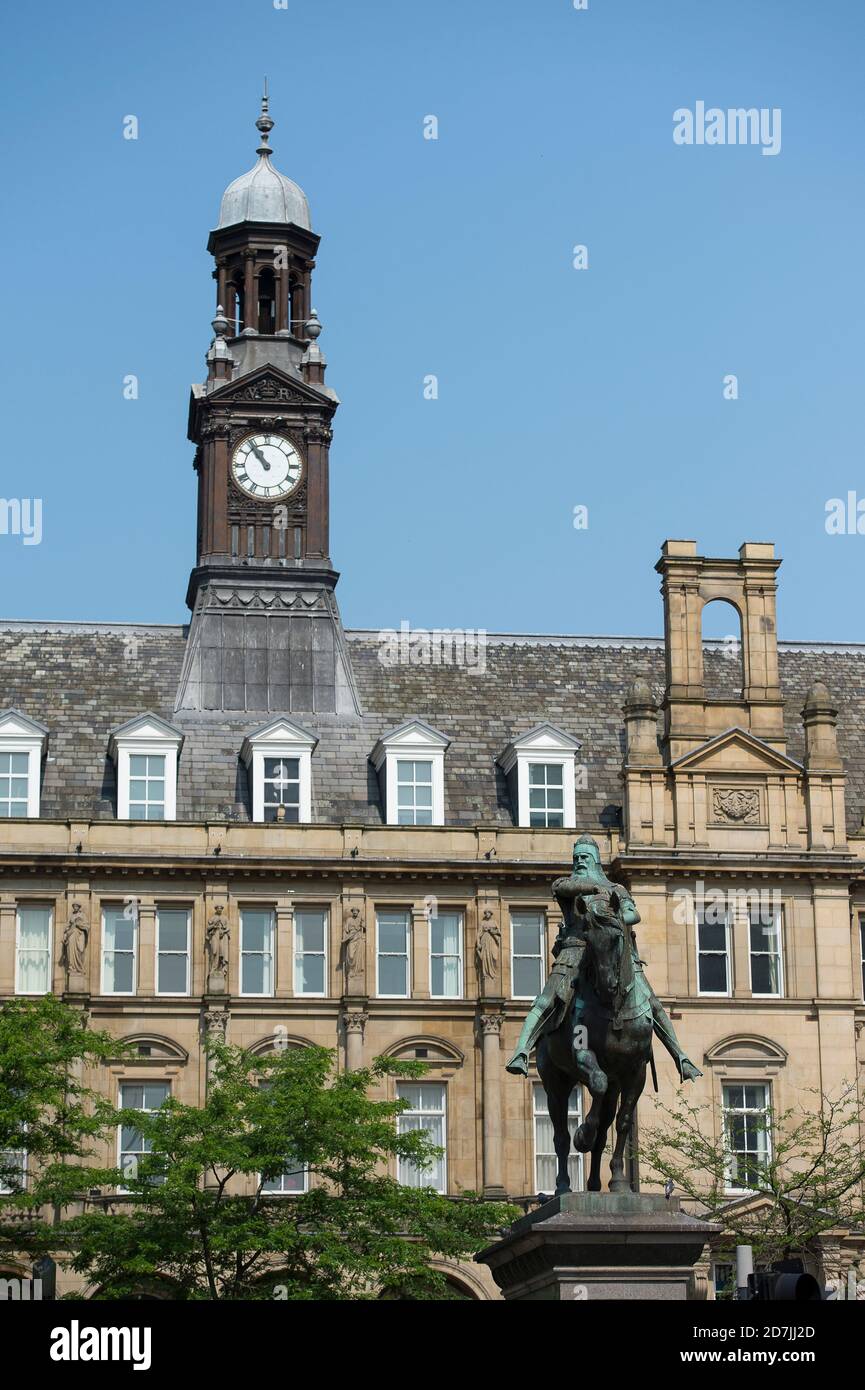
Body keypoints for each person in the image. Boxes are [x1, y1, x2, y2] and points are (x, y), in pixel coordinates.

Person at [505, 835, 701, 1083]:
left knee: (652, 1002)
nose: (579, 862)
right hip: (574, 951)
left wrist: (611, 920)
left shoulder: (617, 890)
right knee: (547, 999)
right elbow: (562, 888)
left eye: (584, 857)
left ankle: (680, 1058)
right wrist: (593, 888)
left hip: (614, 952)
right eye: (576, 858)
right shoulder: (568, 885)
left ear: (596, 861)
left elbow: (633, 914)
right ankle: (521, 1052)